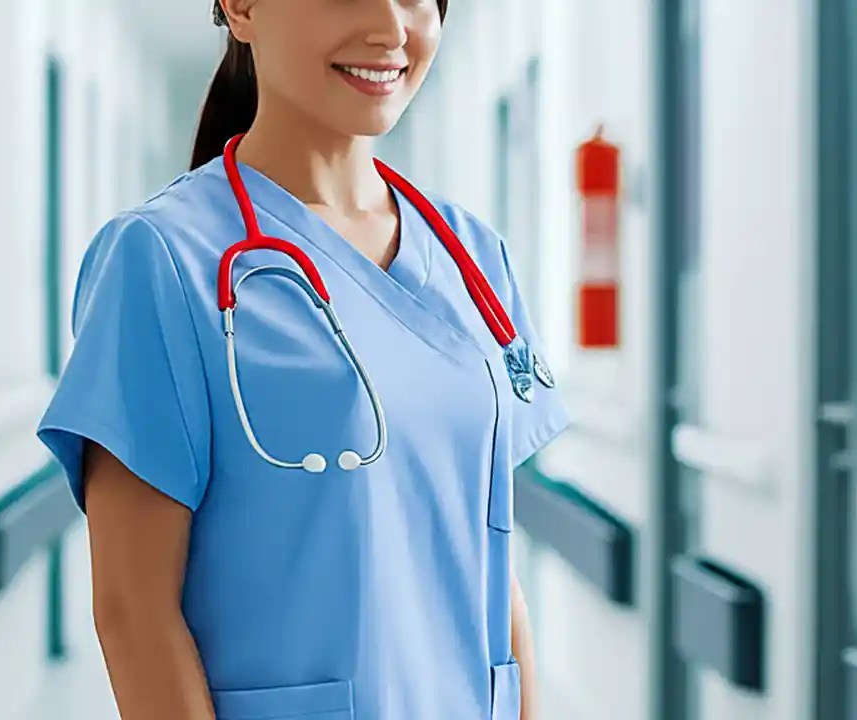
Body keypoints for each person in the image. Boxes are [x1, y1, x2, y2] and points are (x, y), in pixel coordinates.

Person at [37, 1, 569, 717]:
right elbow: (134, 612)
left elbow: (488, 564)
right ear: (243, 7)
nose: (389, 26)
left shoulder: (472, 254)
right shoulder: (163, 258)